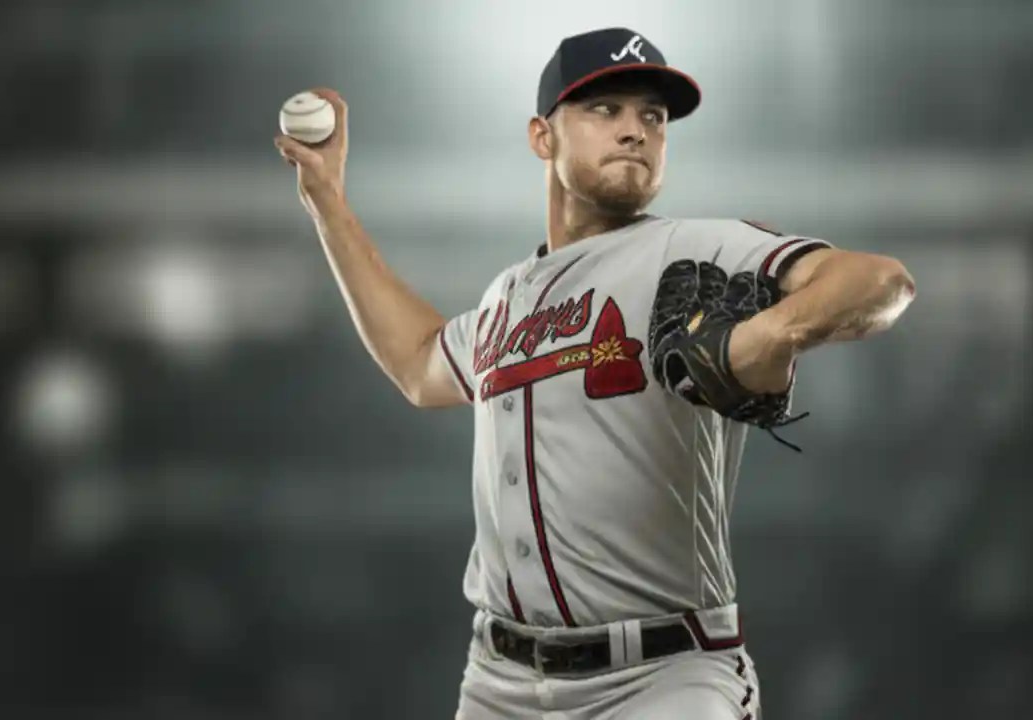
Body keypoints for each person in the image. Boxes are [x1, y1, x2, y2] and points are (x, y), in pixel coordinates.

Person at [275, 26, 915, 720]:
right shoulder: (504, 299)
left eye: (652, 116)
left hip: (664, 677)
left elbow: (879, 280)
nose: (634, 130)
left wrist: (768, 332)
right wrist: (328, 204)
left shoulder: (692, 249)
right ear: (541, 137)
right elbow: (420, 362)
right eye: (604, 110)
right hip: (500, 682)